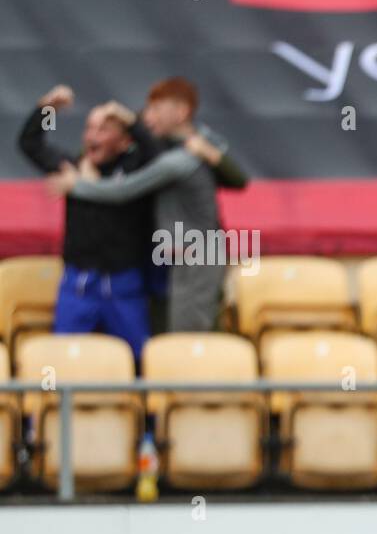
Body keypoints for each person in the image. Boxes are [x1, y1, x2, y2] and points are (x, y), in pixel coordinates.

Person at [46, 77, 248, 334]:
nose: (147, 116)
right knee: (162, 327)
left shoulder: (187, 155)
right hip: (164, 254)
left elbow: (122, 190)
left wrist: (76, 185)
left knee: (190, 332)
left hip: (196, 254)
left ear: (181, 111)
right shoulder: (164, 145)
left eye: (154, 109)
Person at [18, 86, 161, 362]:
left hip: (122, 285)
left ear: (122, 142)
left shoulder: (135, 170)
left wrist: (129, 119)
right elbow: (31, 144)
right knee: (64, 360)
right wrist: (48, 110)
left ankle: (143, 407)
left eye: (104, 129)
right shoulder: (72, 167)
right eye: (89, 129)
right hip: (78, 284)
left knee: (138, 361)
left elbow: (156, 156)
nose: (92, 136)